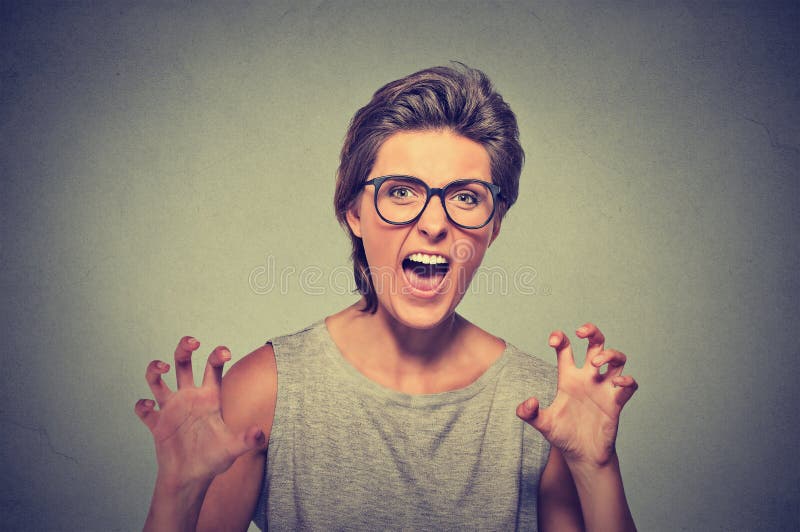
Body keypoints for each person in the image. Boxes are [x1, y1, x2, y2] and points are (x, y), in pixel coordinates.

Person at [135, 64, 638, 531]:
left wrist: (597, 469)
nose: (435, 224)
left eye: (466, 197)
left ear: (495, 224)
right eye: (401, 191)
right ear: (354, 210)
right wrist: (176, 494)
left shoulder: (545, 410)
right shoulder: (265, 391)